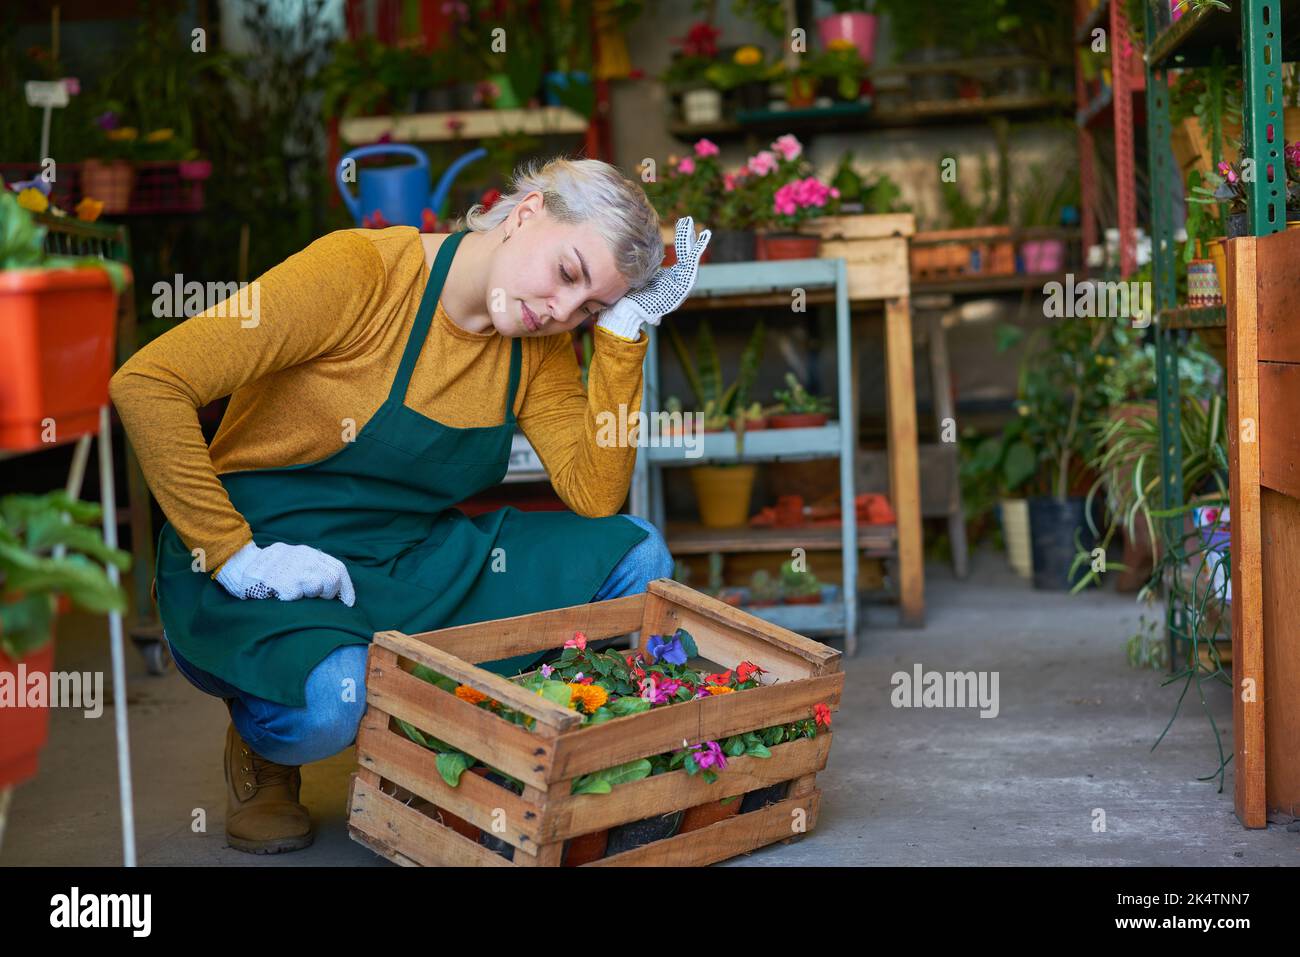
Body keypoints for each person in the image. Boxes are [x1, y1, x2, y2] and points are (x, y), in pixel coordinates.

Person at [109, 156, 712, 854]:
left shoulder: (535, 343)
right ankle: (267, 748)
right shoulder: (359, 273)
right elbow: (149, 381)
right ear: (525, 214)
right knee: (334, 701)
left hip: (409, 556)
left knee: (637, 553)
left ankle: (510, 751)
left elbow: (594, 490)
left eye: (588, 307)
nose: (559, 311)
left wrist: (621, 336)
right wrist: (233, 554)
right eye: (569, 273)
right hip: (273, 552)